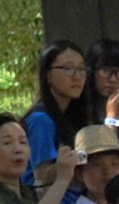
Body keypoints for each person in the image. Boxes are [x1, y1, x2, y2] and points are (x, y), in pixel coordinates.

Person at [23, 41, 93, 178]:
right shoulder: (41, 120)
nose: (77, 76)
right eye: (68, 68)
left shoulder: (73, 115)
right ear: (47, 75)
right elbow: (43, 177)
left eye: (81, 69)